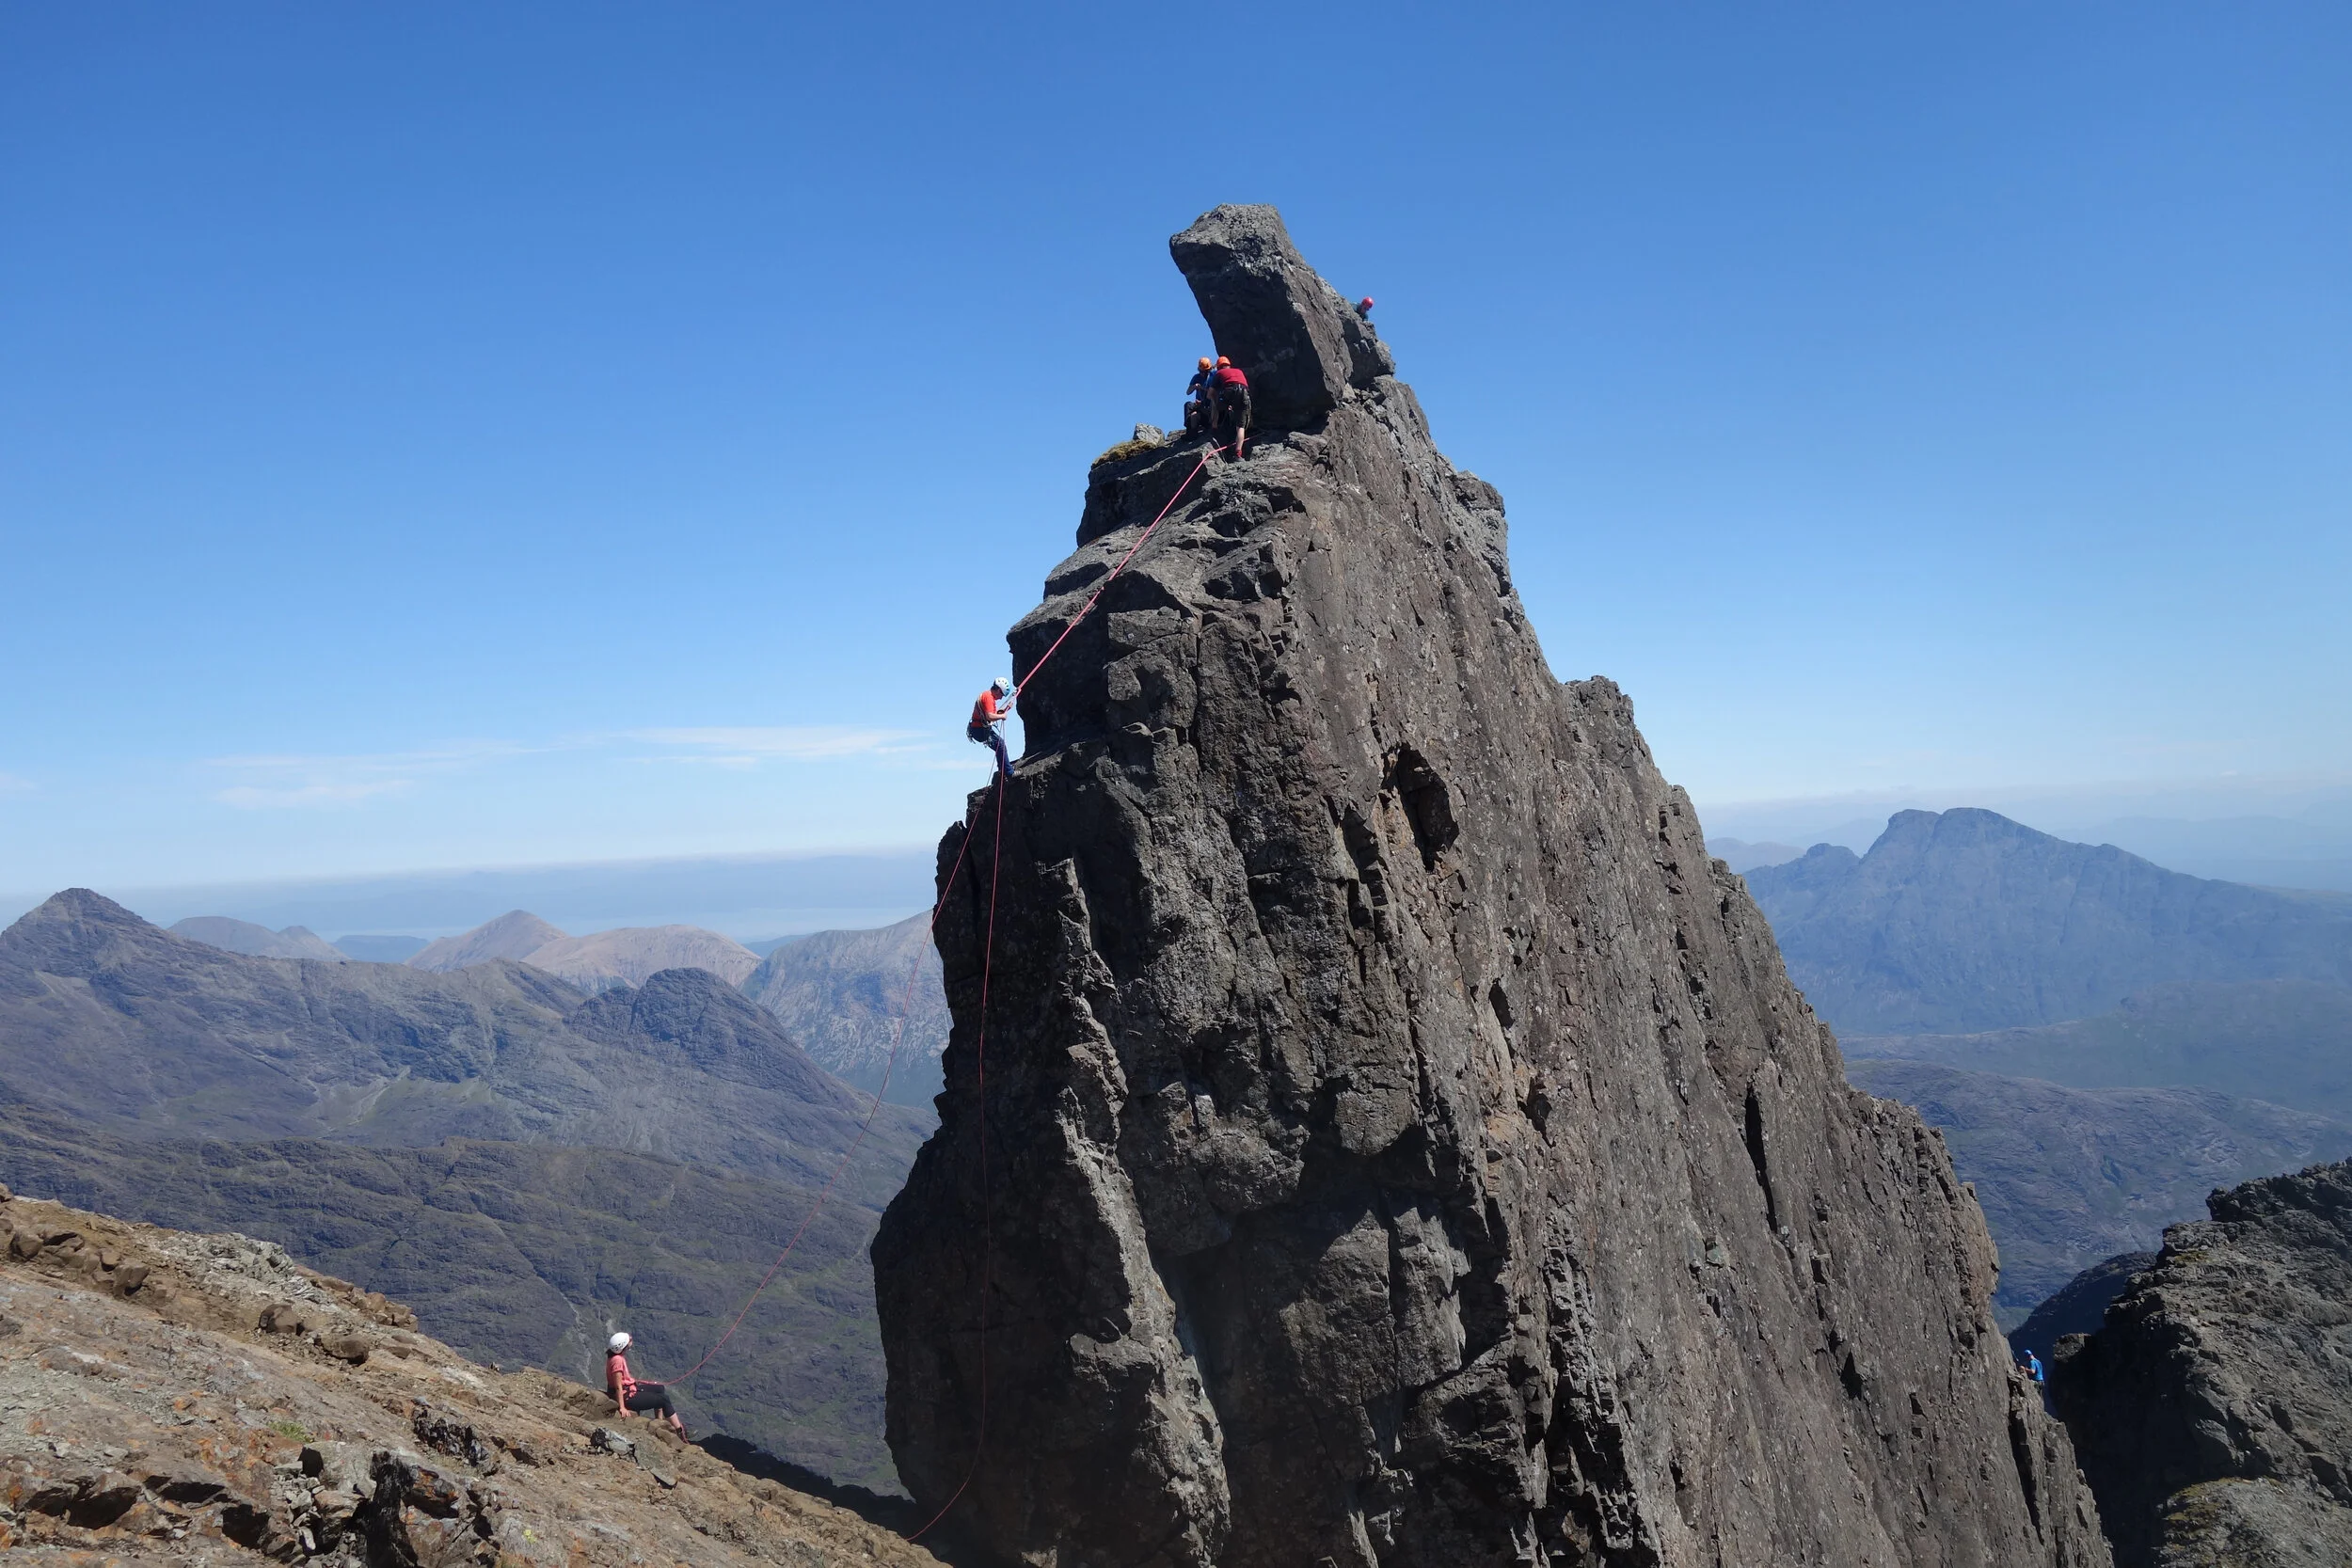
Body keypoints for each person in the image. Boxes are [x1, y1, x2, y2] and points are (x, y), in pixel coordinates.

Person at [605, 1332, 686, 1434]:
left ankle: (660, 1422)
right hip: (627, 1397)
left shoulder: (614, 1357)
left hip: (628, 1390)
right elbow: (618, 1386)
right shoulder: (617, 1360)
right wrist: (622, 1407)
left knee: (660, 1388)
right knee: (664, 1400)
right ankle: (680, 1432)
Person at [968, 677, 1014, 778]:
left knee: (999, 745)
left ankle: (1002, 769)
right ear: (998, 690)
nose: (1001, 698)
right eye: (1002, 695)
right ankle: (1009, 773)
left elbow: (991, 714)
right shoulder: (988, 698)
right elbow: (989, 716)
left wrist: (1006, 709)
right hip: (980, 730)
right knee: (1000, 745)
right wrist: (1002, 716)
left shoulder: (988, 696)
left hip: (978, 729)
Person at [1212, 356, 1251, 458]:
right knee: (1241, 426)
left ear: (1218, 367)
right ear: (1229, 365)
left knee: (1217, 405)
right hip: (1244, 393)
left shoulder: (1219, 373)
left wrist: (1220, 402)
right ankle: (1238, 454)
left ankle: (1214, 427)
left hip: (1230, 391)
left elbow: (1210, 393)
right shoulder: (1239, 371)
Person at [1184, 355, 1216, 435]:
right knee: (1188, 405)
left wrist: (1202, 388)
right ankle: (1190, 428)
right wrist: (1194, 386)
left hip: (1210, 407)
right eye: (1201, 371)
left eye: (1204, 372)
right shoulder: (1196, 377)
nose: (1202, 373)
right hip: (1200, 405)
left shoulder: (1213, 376)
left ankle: (1205, 426)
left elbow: (1214, 392)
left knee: (1197, 413)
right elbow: (1188, 392)